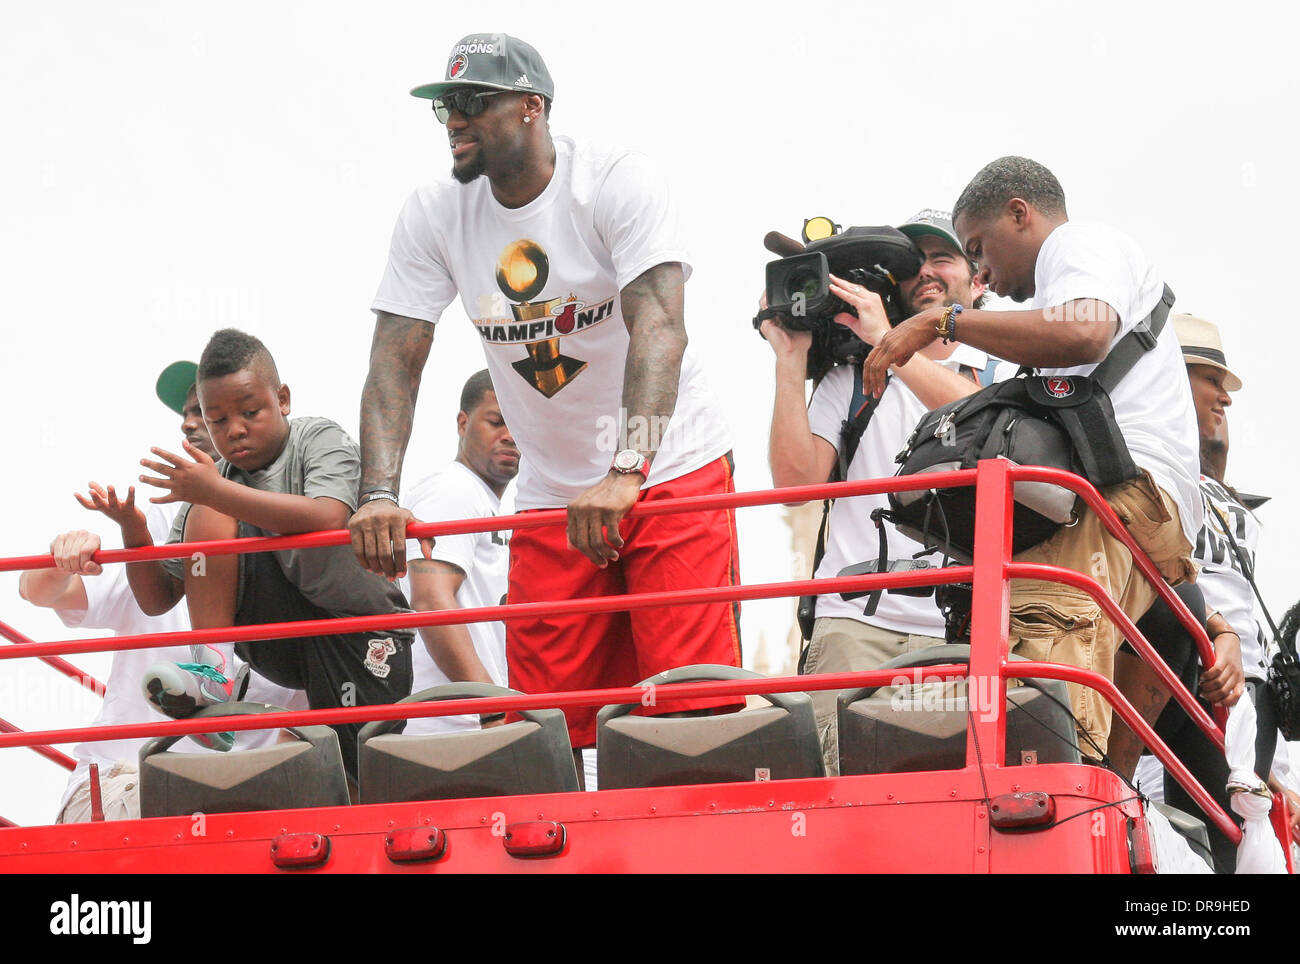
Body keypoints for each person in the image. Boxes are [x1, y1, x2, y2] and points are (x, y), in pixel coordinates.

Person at [352, 33, 742, 763]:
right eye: (445, 108)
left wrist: (627, 470)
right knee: (555, 730)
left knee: (692, 713)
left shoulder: (616, 181)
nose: (455, 121)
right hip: (553, 492)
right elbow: (394, 362)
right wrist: (377, 491)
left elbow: (659, 326)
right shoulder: (436, 212)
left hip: (667, 466)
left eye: (472, 103)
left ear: (533, 107)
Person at [864, 156, 1202, 769]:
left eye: (978, 247)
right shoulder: (1065, 286)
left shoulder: (1077, 244)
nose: (982, 271)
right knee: (1076, 696)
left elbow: (1085, 334)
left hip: (1113, 495)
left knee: (1044, 681)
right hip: (1143, 507)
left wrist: (946, 320)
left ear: (1019, 213)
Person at [119, 330, 415, 783]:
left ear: (283, 399)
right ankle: (212, 679)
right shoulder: (214, 482)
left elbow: (328, 518)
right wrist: (134, 536)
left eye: (250, 412)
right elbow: (159, 599)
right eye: (217, 421)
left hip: (358, 631)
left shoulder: (318, 437)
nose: (234, 429)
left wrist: (218, 490)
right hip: (281, 634)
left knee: (364, 776)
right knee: (209, 511)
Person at [19, 361, 302, 822]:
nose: (192, 423)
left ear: (274, 410)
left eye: (213, 412)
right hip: (128, 779)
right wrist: (63, 557)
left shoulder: (301, 552)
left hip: (235, 802)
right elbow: (36, 590)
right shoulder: (155, 528)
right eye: (194, 413)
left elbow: (300, 732)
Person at [761, 211, 991, 773]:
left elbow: (972, 421)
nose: (927, 273)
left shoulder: (1004, 369)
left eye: (944, 259)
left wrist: (889, 342)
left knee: (955, 813)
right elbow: (795, 488)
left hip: (964, 629)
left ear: (980, 279)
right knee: (841, 806)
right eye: (915, 264)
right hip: (851, 625)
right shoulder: (853, 375)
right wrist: (791, 359)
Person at [399, 369, 516, 735]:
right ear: (463, 423)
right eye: (496, 422)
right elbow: (431, 600)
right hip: (452, 727)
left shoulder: (483, 499)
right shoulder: (453, 488)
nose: (510, 436)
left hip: (466, 721)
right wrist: (491, 708)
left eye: (520, 425)